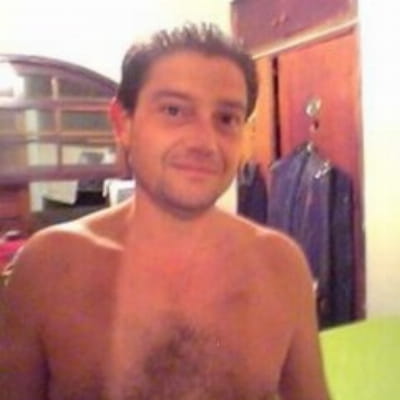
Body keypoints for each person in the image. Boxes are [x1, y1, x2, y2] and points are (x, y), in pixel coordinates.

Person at [0, 24, 330, 400]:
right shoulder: (48, 268)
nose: (204, 142)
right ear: (123, 123)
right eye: (174, 110)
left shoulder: (281, 268)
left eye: (226, 118)